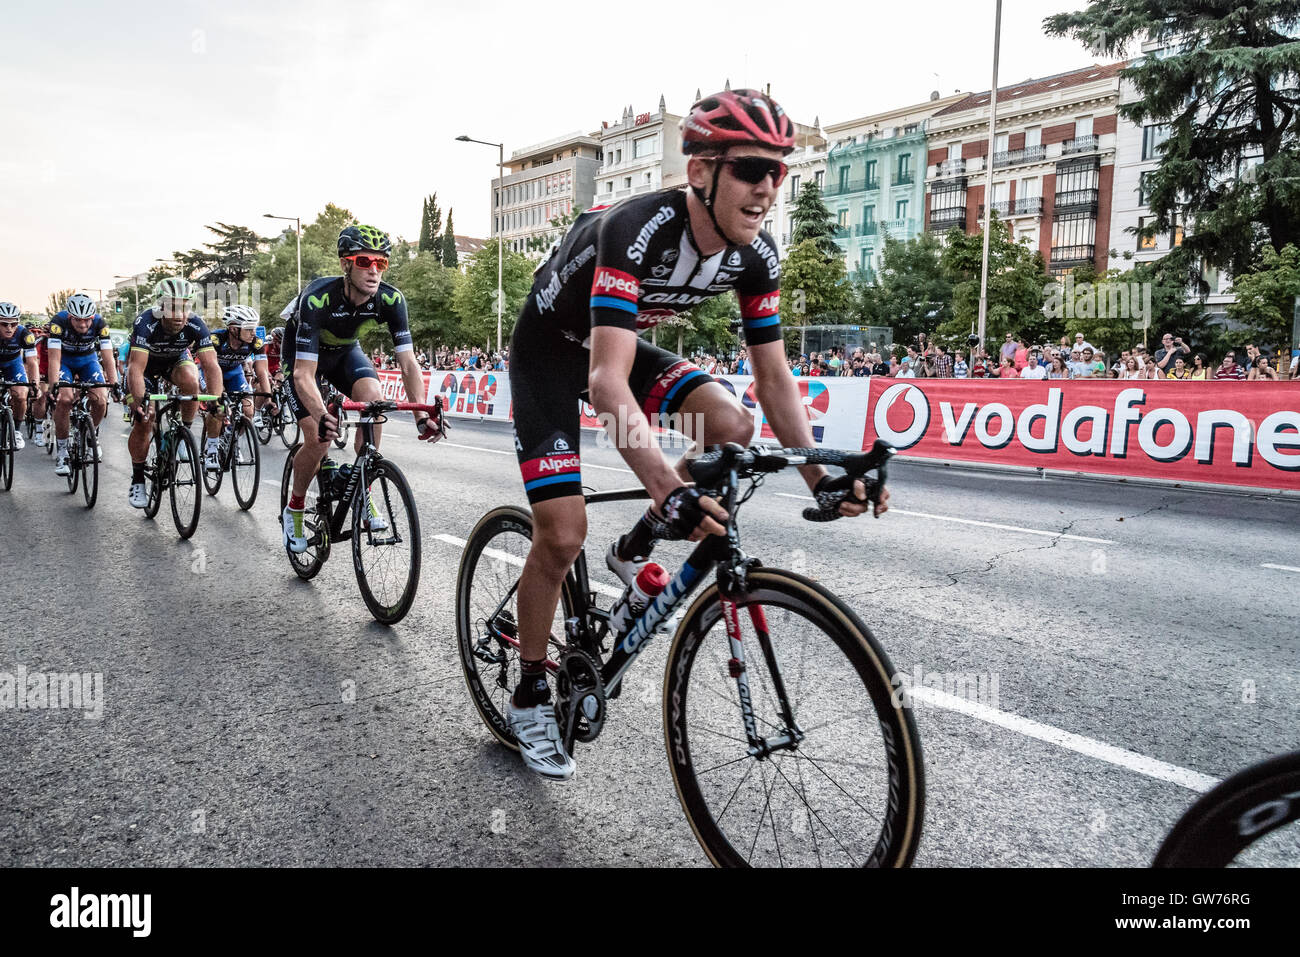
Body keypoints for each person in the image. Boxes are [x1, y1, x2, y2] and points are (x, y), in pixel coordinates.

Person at [504, 88, 886, 780]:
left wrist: (820, 475)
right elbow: (605, 385)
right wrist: (666, 485)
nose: (767, 188)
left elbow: (773, 382)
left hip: (608, 345)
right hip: (548, 354)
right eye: (750, 169)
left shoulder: (756, 257)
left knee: (732, 425)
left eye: (779, 171)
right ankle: (530, 687)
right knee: (560, 534)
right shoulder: (637, 229)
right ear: (703, 170)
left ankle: (636, 546)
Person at [281, 224, 443, 552]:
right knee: (317, 437)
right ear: (346, 264)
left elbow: (409, 363)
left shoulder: (391, 299)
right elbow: (302, 375)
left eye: (380, 264)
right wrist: (321, 414)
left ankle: (363, 493)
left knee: (374, 399)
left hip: (344, 352)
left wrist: (421, 415)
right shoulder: (318, 297)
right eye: (364, 262)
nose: (373, 271)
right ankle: (295, 507)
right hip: (303, 358)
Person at [124, 279, 222, 507]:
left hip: (174, 362)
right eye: (173, 307)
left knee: (191, 380)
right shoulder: (145, 322)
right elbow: (135, 369)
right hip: (145, 368)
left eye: (185, 307)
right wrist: (138, 403)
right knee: (144, 420)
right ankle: (138, 478)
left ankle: (182, 433)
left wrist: (216, 401)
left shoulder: (196, 324)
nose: (180, 314)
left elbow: (211, 366)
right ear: (160, 307)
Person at [48, 293, 119, 474]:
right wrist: (54, 384)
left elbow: (108, 357)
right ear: (70, 316)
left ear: (92, 317)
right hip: (65, 361)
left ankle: (90, 434)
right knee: (64, 400)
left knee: (101, 399)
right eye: (78, 320)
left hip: (88, 361)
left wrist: (115, 383)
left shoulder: (100, 324)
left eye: (87, 320)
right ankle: (62, 452)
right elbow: (54, 358)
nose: (83, 325)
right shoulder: (58, 322)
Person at [201, 305, 272, 472]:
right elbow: (206, 366)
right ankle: (212, 448)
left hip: (234, 373)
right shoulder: (215, 340)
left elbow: (262, 370)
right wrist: (214, 392)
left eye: (254, 328)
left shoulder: (256, 343)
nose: (253, 332)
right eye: (248, 329)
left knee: (248, 411)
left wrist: (268, 398)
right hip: (210, 372)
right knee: (218, 409)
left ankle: (229, 437)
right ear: (233, 329)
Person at [0, 302, 38, 448]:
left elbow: (32, 362)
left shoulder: (24, 334)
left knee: (22, 394)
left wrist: (34, 384)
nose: (9, 328)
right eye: (4, 324)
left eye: (13, 324)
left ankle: (16, 431)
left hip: (13, 363)